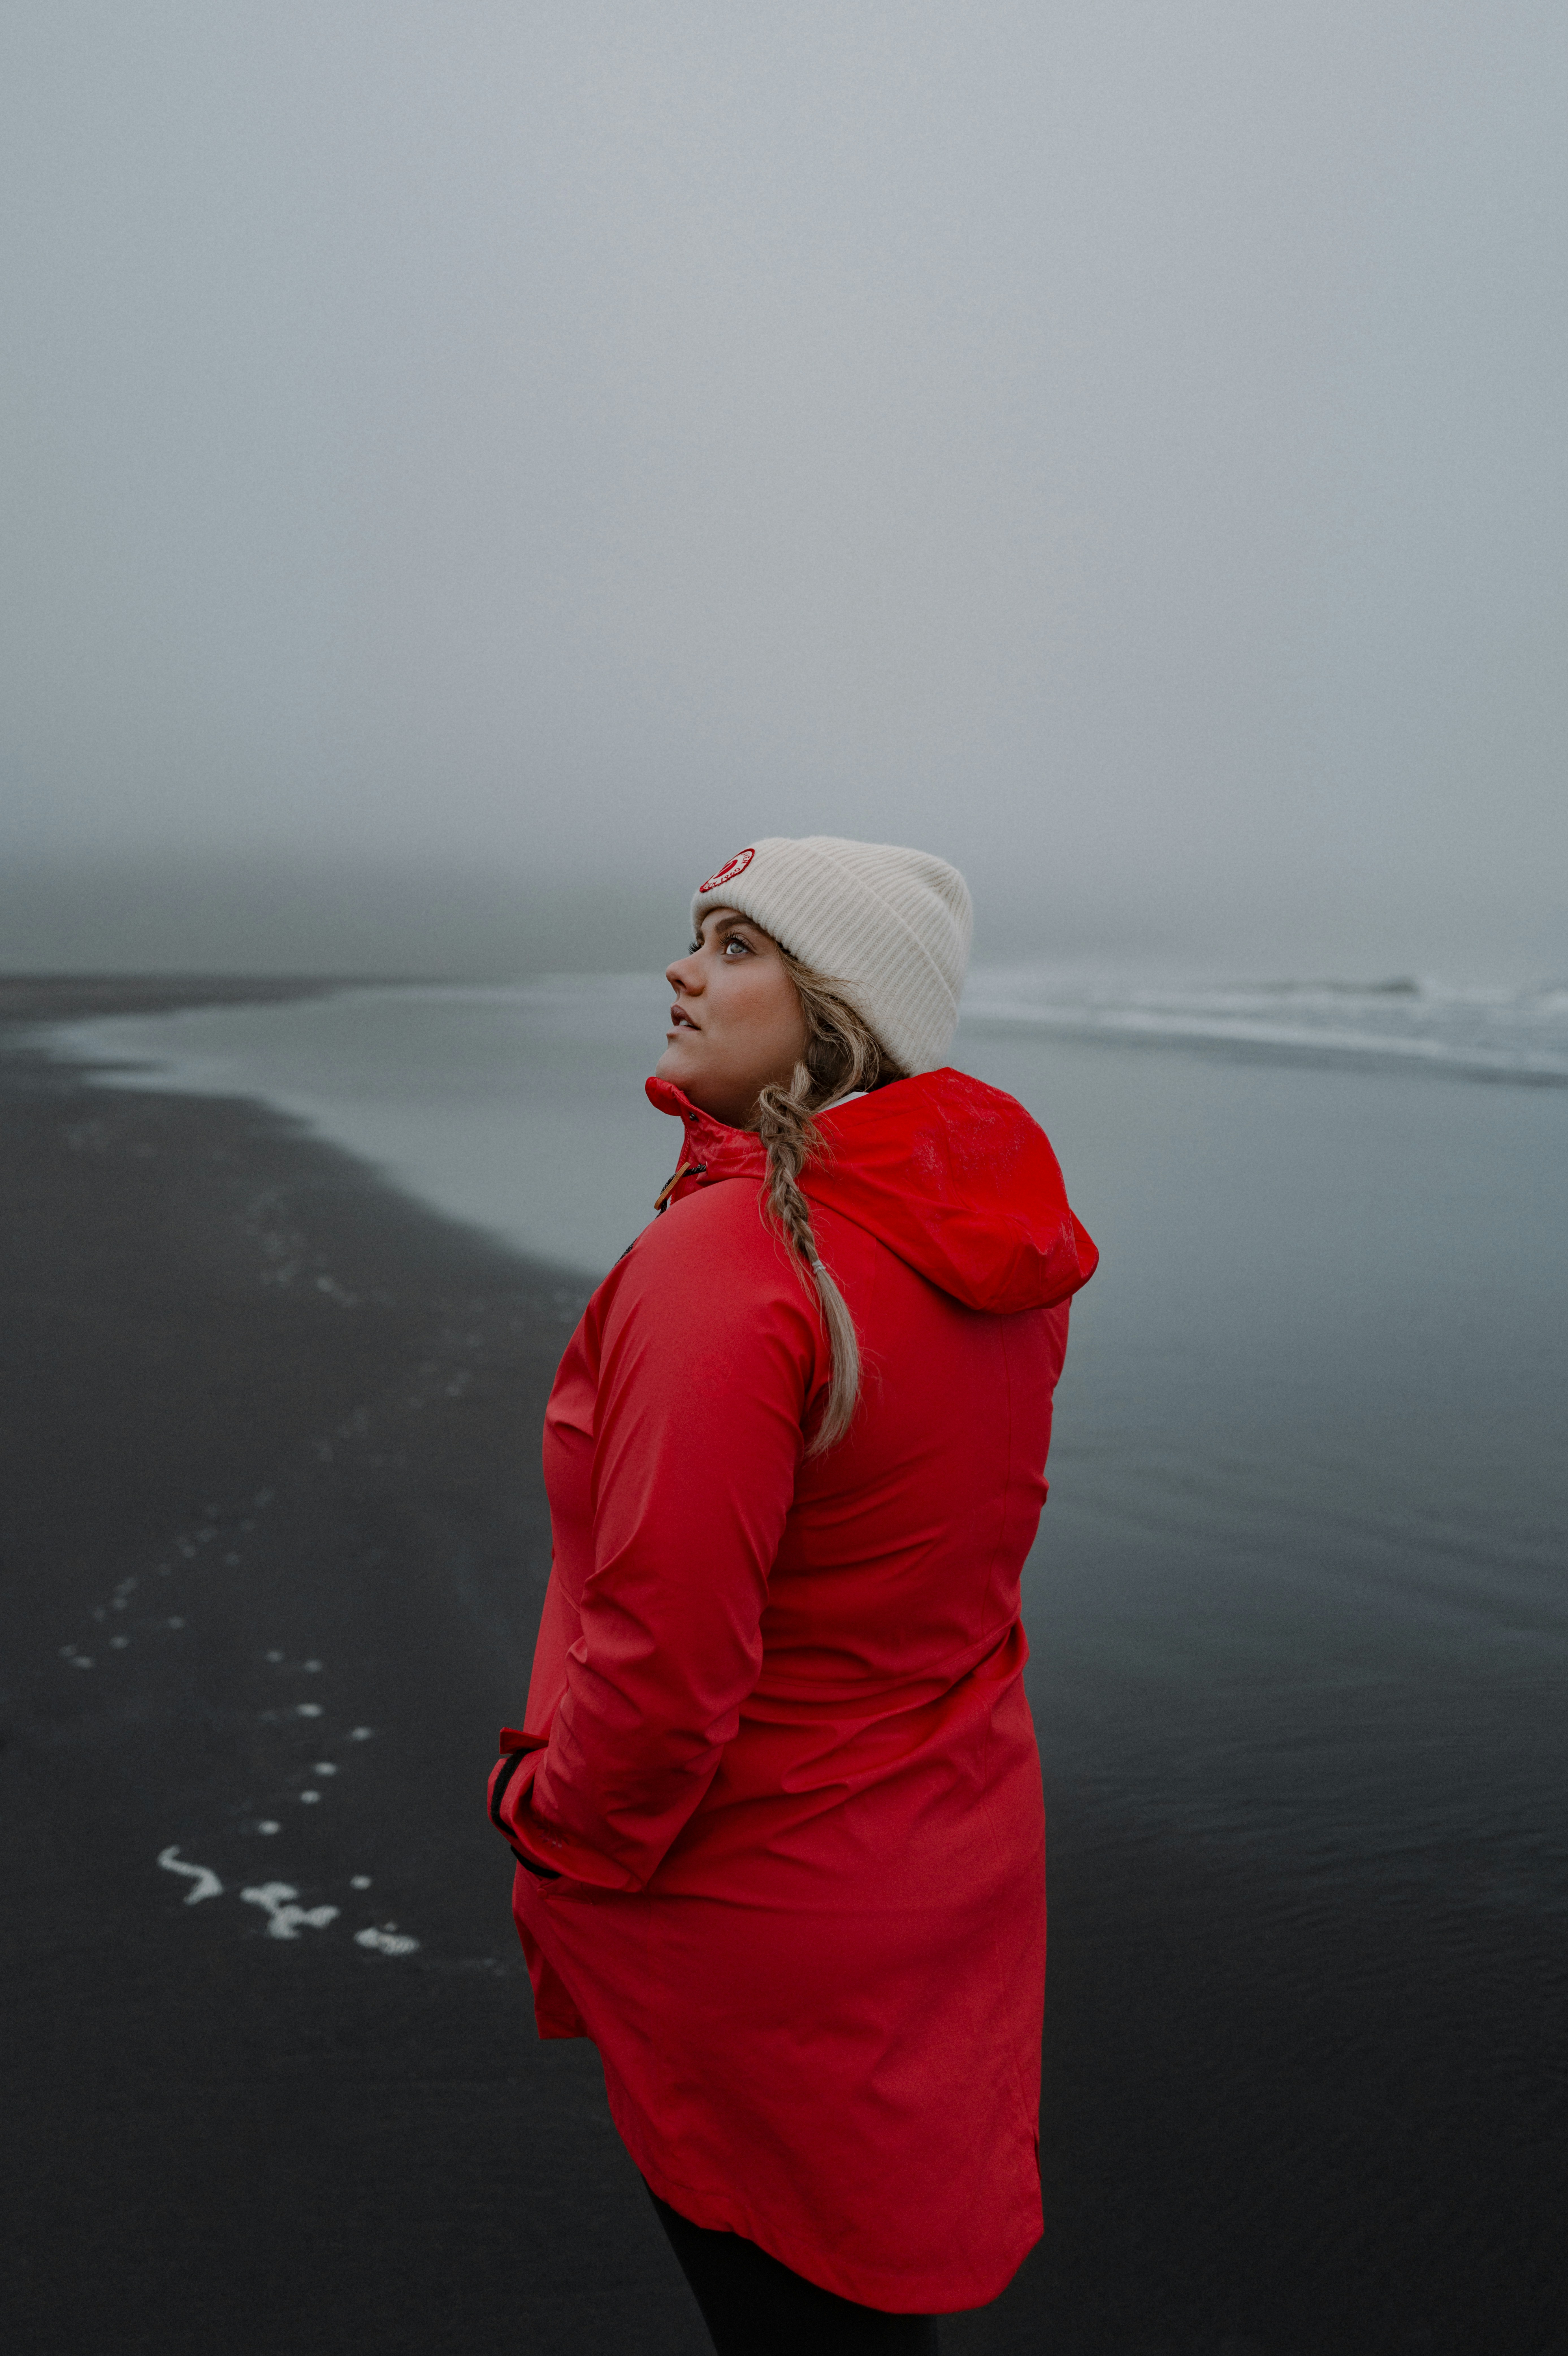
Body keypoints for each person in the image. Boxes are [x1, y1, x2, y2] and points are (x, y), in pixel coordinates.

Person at [489, 836, 1098, 2353]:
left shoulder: (732, 1265)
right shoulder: (990, 1248)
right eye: (697, 936)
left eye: (739, 946)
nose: (685, 972)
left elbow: (665, 1664)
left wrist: (548, 1821)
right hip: (943, 1861)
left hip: (749, 1902)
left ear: (838, 1008)